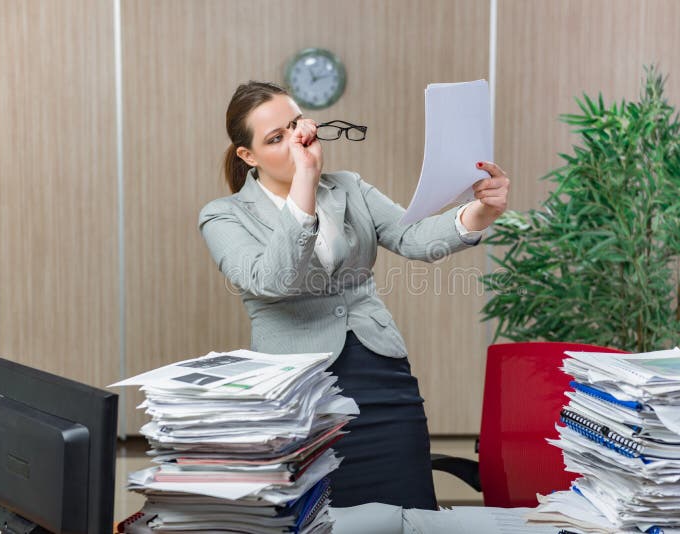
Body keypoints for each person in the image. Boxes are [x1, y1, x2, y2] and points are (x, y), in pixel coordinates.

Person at [198, 81, 510, 509]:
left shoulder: (348, 187)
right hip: (297, 394)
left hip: (382, 377)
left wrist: (478, 213)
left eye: (295, 125)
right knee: (320, 516)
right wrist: (304, 185)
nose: (294, 141)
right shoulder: (223, 215)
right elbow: (273, 280)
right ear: (247, 156)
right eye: (275, 138)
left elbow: (413, 237)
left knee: (407, 511)